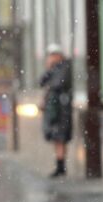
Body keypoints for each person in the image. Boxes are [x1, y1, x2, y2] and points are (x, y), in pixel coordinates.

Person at [39, 43, 73, 178]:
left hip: (62, 109)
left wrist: (52, 71)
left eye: (53, 55)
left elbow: (58, 84)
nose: (51, 58)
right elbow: (41, 81)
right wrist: (49, 69)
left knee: (60, 137)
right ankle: (60, 165)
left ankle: (61, 166)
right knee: (56, 137)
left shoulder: (65, 67)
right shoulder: (53, 69)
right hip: (54, 109)